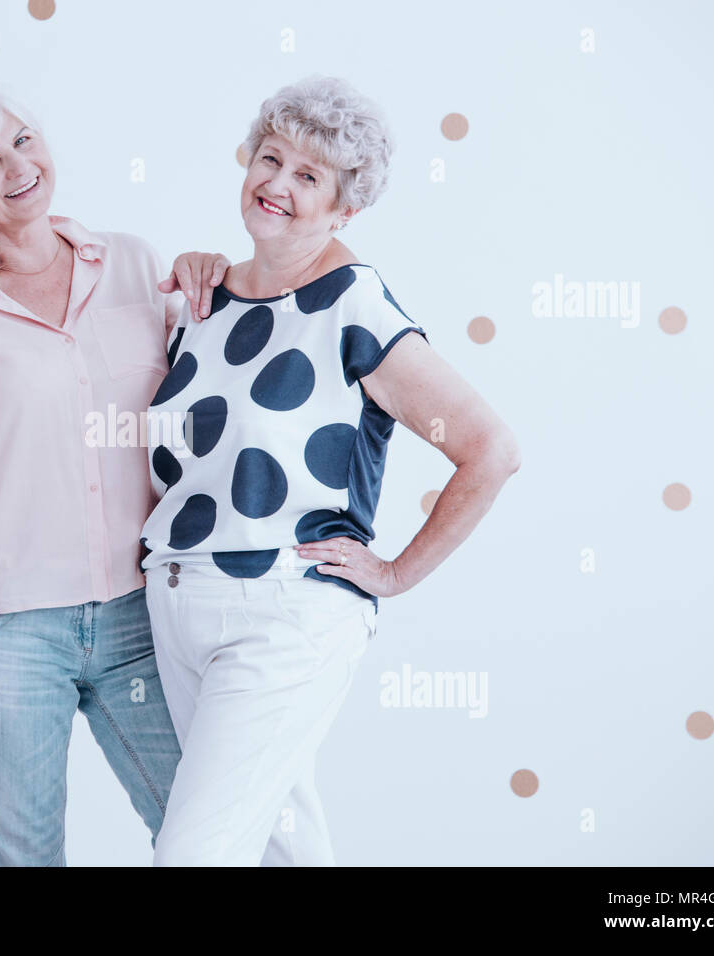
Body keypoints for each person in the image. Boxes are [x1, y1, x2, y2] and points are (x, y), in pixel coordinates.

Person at [140, 75, 522, 866]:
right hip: (177, 603)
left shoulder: (355, 304)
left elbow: (490, 448)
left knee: (193, 853)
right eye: (270, 158)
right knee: (284, 840)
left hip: (284, 611)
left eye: (308, 177)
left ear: (345, 209)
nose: (276, 184)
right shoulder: (202, 302)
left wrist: (394, 573)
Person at [0, 75, 226, 865]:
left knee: (210, 833)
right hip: (3, 628)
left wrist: (213, 267)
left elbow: (222, 364)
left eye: (22, 139)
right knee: (22, 853)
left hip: (143, 613)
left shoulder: (138, 267)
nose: (16, 167)